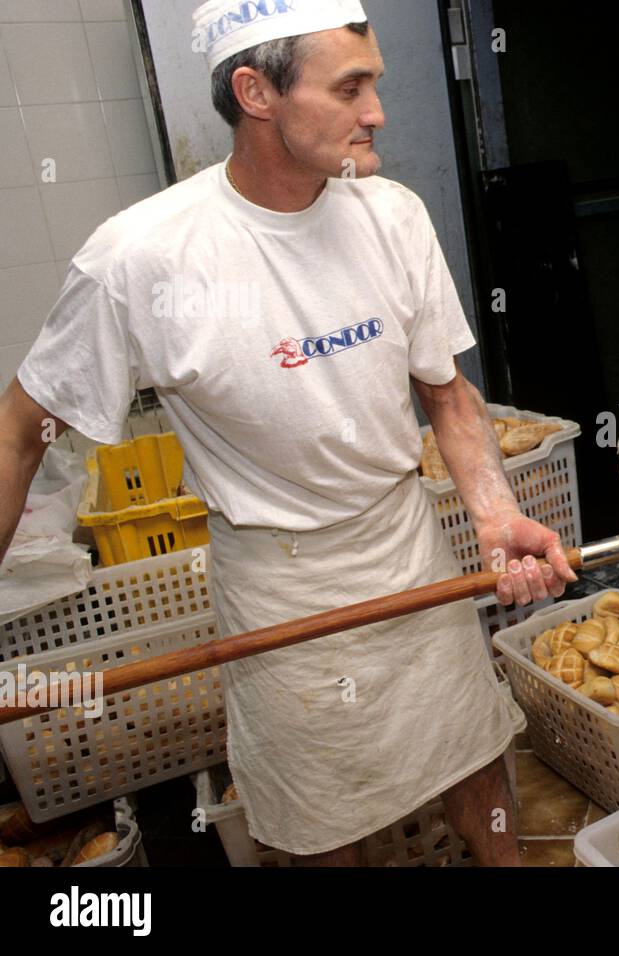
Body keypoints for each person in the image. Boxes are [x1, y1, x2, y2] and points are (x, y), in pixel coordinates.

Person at [0, 0, 577, 866]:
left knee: (477, 768)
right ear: (254, 91)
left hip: (404, 551)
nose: (377, 111)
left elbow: (449, 395)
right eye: (350, 87)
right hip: (280, 587)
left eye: (375, 82)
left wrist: (492, 518)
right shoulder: (141, 259)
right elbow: (20, 433)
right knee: (317, 826)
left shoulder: (393, 216)